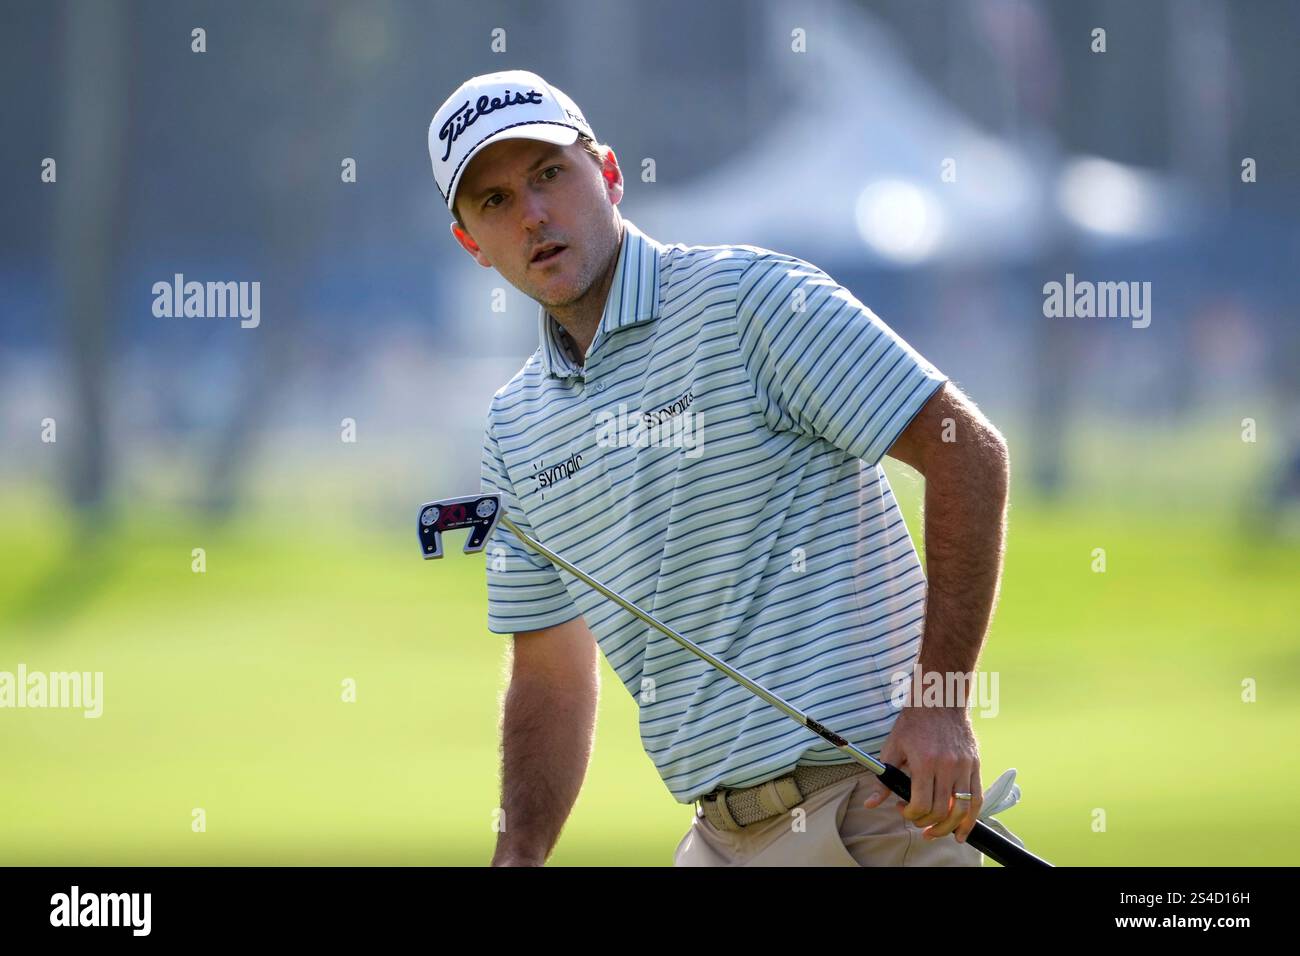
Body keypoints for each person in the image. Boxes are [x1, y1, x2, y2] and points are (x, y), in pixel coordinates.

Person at [428, 69, 1016, 867]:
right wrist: (520, 850)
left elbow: (968, 454)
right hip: (721, 838)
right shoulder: (515, 426)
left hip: (870, 811)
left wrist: (941, 708)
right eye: (494, 201)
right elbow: (550, 673)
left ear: (607, 175)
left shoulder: (748, 300)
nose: (532, 214)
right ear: (470, 242)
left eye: (548, 175)